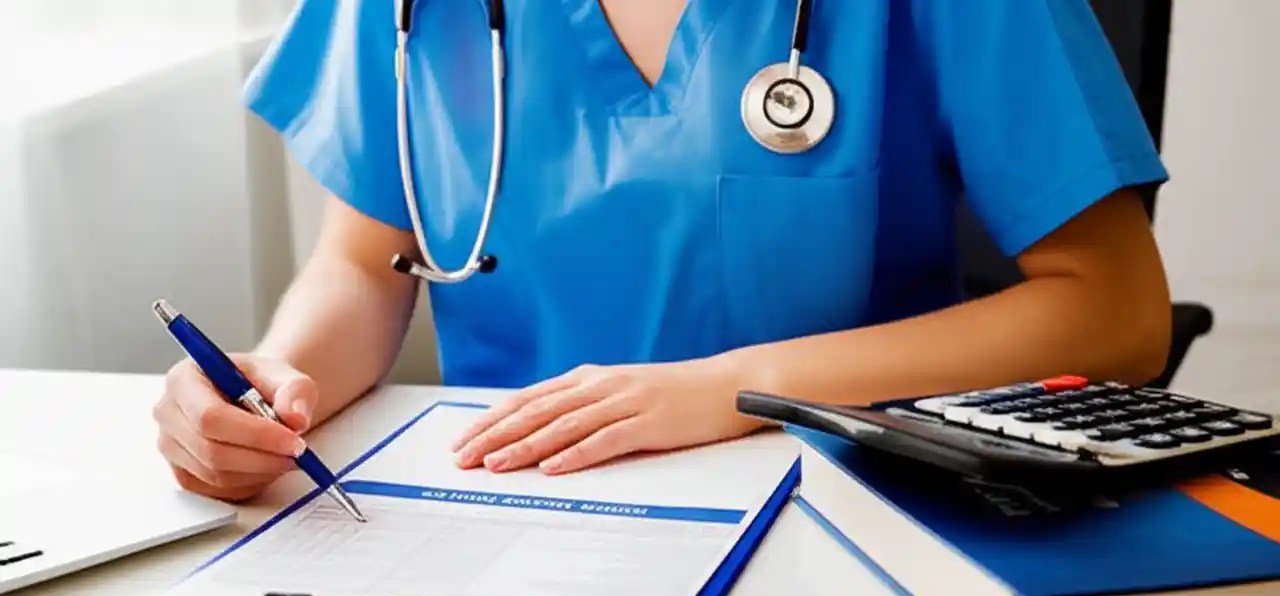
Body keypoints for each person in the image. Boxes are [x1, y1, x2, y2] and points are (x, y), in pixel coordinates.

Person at [153, 0, 1173, 502]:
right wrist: (272, 395)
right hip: (506, 504)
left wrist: (735, 388)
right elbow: (359, 263)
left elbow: (1112, 311)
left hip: (842, 510)